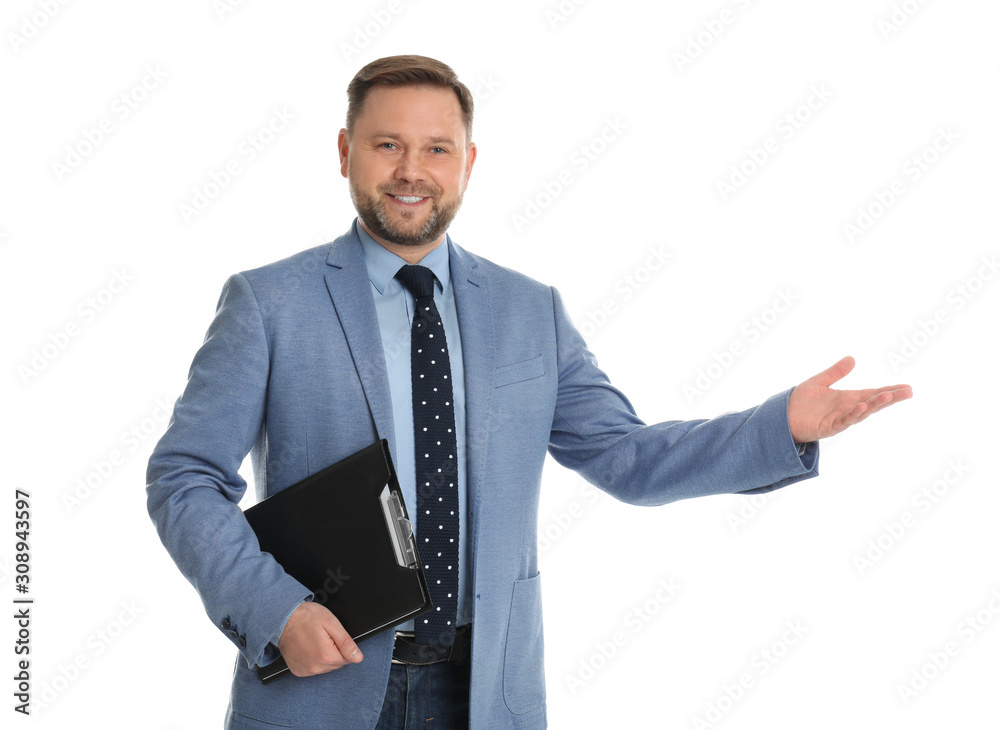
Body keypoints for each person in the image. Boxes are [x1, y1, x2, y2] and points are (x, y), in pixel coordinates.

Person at [145, 55, 912, 730]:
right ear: (347, 152)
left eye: (436, 149)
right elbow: (184, 477)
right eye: (388, 145)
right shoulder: (270, 303)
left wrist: (781, 425)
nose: (412, 170)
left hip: (484, 694)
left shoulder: (529, 311)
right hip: (319, 683)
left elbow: (628, 457)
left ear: (468, 162)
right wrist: (277, 612)